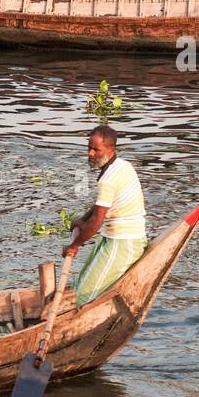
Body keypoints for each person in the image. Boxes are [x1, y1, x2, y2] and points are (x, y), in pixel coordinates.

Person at [64, 125, 147, 306]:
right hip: (114, 238)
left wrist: (74, 245)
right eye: (89, 148)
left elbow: (95, 223)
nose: (91, 154)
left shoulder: (108, 179)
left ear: (111, 149)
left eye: (96, 150)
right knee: (78, 284)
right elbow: (100, 208)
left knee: (82, 297)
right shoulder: (123, 165)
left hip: (124, 242)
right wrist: (81, 220)